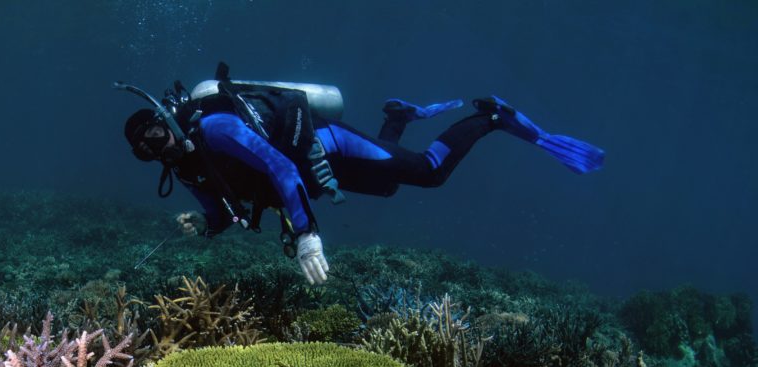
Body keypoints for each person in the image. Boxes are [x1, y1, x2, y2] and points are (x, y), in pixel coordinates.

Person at [122, 73, 604, 285]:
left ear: (167, 118)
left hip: (325, 145)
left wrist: (308, 237)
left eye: (156, 133)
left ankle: (492, 118)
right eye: (146, 149)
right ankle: (396, 116)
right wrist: (203, 224)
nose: (157, 146)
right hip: (312, 178)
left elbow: (281, 168)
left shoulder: (216, 128)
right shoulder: (184, 167)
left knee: (428, 172)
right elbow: (222, 212)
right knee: (389, 185)